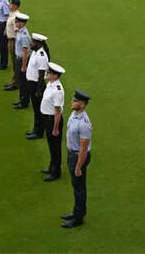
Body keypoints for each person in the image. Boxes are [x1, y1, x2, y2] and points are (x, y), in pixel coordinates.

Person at [62, 89, 92, 228]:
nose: (72, 102)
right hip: (72, 154)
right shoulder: (74, 114)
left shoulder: (84, 124)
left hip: (78, 157)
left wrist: (79, 167)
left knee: (79, 188)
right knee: (76, 186)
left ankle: (78, 218)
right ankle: (77, 211)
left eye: (75, 101)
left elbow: (84, 149)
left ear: (82, 104)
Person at [40, 62, 66, 181]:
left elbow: (58, 111)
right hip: (47, 118)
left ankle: (56, 172)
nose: (47, 74)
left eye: (49, 72)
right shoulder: (50, 84)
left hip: (53, 120)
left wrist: (55, 128)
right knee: (51, 145)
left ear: (55, 75)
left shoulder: (57, 90)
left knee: (55, 146)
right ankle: (52, 166)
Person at [24, 33, 50, 138]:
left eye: (33, 42)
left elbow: (41, 75)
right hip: (32, 83)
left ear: (38, 43)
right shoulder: (36, 52)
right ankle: (35, 129)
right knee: (35, 109)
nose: (31, 44)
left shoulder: (41, 56)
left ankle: (39, 132)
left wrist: (39, 90)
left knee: (38, 109)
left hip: (37, 85)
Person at [10, 12, 31, 109]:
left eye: (17, 22)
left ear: (23, 23)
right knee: (20, 80)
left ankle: (24, 102)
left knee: (23, 82)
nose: (16, 23)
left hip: (22, 60)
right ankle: (21, 99)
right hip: (18, 58)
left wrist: (24, 66)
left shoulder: (24, 36)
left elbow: (25, 52)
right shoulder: (20, 32)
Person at [2, 0, 22, 89]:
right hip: (10, 39)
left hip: (13, 41)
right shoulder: (12, 14)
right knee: (13, 62)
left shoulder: (15, 17)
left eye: (10, 4)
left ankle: (15, 83)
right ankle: (14, 81)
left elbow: (17, 30)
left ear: (15, 6)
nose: (9, 5)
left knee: (15, 63)